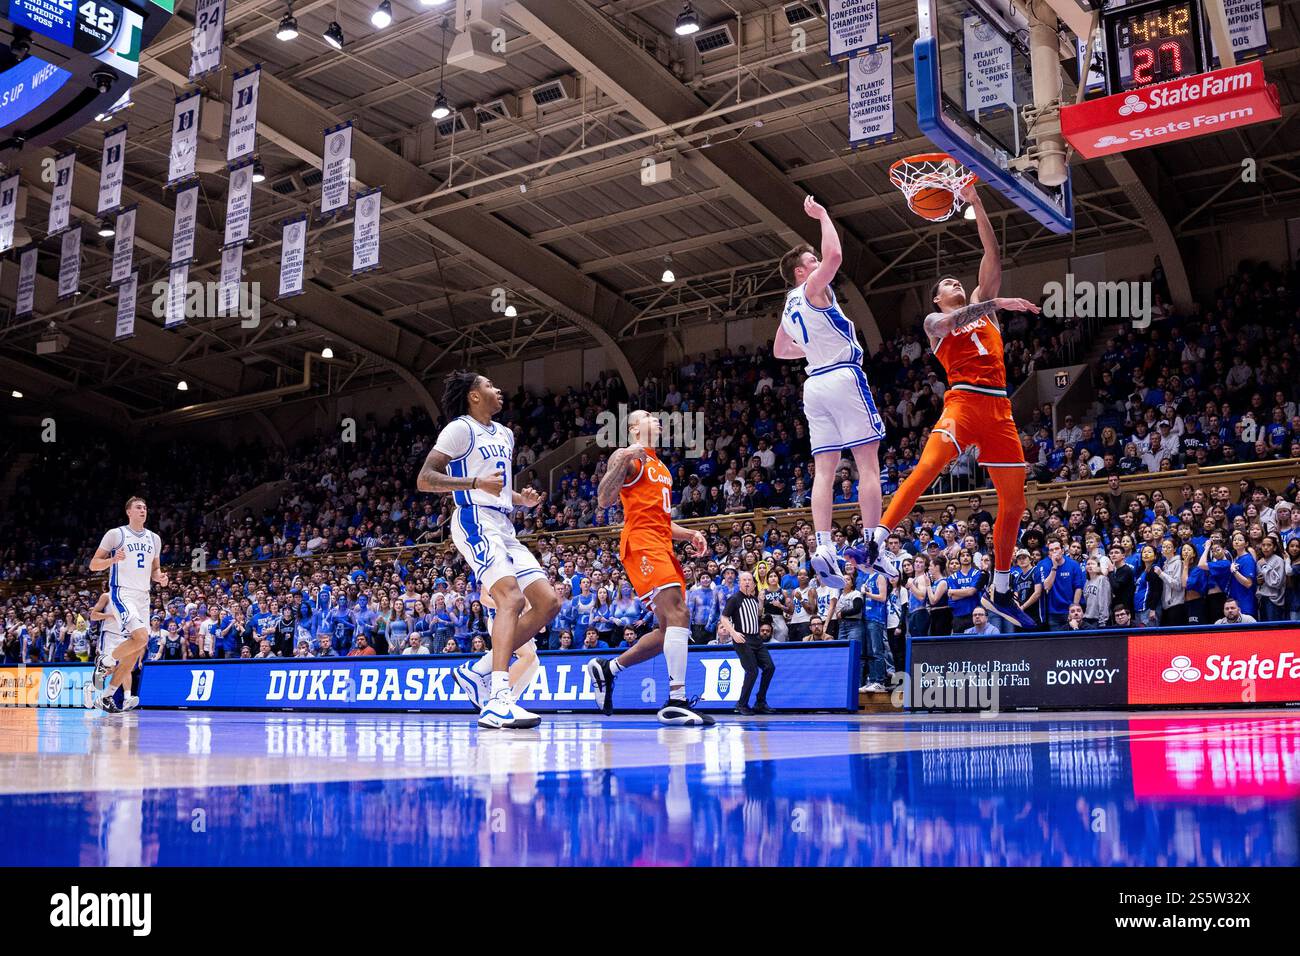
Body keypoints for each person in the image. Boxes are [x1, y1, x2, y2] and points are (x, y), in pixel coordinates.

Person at [870, 184, 1040, 632]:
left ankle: (1000, 589)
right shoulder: (935, 322)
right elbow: (950, 321)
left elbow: (992, 255)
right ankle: (877, 539)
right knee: (929, 467)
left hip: (1000, 409)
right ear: (937, 298)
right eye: (947, 284)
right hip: (963, 401)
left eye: (957, 281)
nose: (955, 283)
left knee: (1015, 502)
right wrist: (994, 302)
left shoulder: (985, 308)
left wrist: (976, 202)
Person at [417, 370, 559, 730]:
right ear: (474, 395)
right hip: (474, 518)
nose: (498, 389)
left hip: (504, 523)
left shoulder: (505, 434)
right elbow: (425, 479)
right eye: (489, 385)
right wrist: (474, 482)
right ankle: (498, 698)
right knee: (511, 599)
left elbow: (500, 487)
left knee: (548, 602)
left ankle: (478, 669)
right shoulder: (459, 429)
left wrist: (521, 499)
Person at [774, 195, 894, 588]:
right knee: (868, 463)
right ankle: (873, 544)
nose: (817, 264)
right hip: (842, 376)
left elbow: (780, 350)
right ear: (800, 271)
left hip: (814, 385)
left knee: (824, 471)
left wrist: (812, 349)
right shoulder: (810, 286)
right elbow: (836, 257)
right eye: (811, 261)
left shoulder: (788, 305)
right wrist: (824, 215)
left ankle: (824, 545)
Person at [585, 409, 716, 726]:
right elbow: (603, 499)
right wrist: (623, 457)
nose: (656, 419)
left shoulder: (662, 468)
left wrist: (690, 534)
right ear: (633, 428)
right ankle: (676, 701)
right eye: (647, 416)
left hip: (661, 544)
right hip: (642, 545)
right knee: (679, 613)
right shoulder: (629, 457)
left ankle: (609, 668)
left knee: (668, 629)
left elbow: (662, 521)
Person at [86, 497, 168, 712]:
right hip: (123, 592)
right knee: (141, 637)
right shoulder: (116, 534)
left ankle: (106, 696)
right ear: (128, 512)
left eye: (145, 507)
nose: (143, 510)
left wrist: (160, 578)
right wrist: (111, 560)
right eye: (138, 507)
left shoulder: (154, 539)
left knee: (136, 649)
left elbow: (155, 570)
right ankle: (106, 660)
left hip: (143, 596)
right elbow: (93, 564)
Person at [719, 572, 774, 716]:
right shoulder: (734, 599)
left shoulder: (754, 599)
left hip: (756, 639)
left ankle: (760, 702)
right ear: (739, 583)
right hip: (742, 639)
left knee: (769, 667)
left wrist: (760, 601)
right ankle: (741, 704)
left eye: (749, 580)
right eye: (744, 580)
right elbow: (724, 618)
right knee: (752, 671)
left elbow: (758, 615)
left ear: (754, 584)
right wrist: (733, 633)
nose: (747, 582)